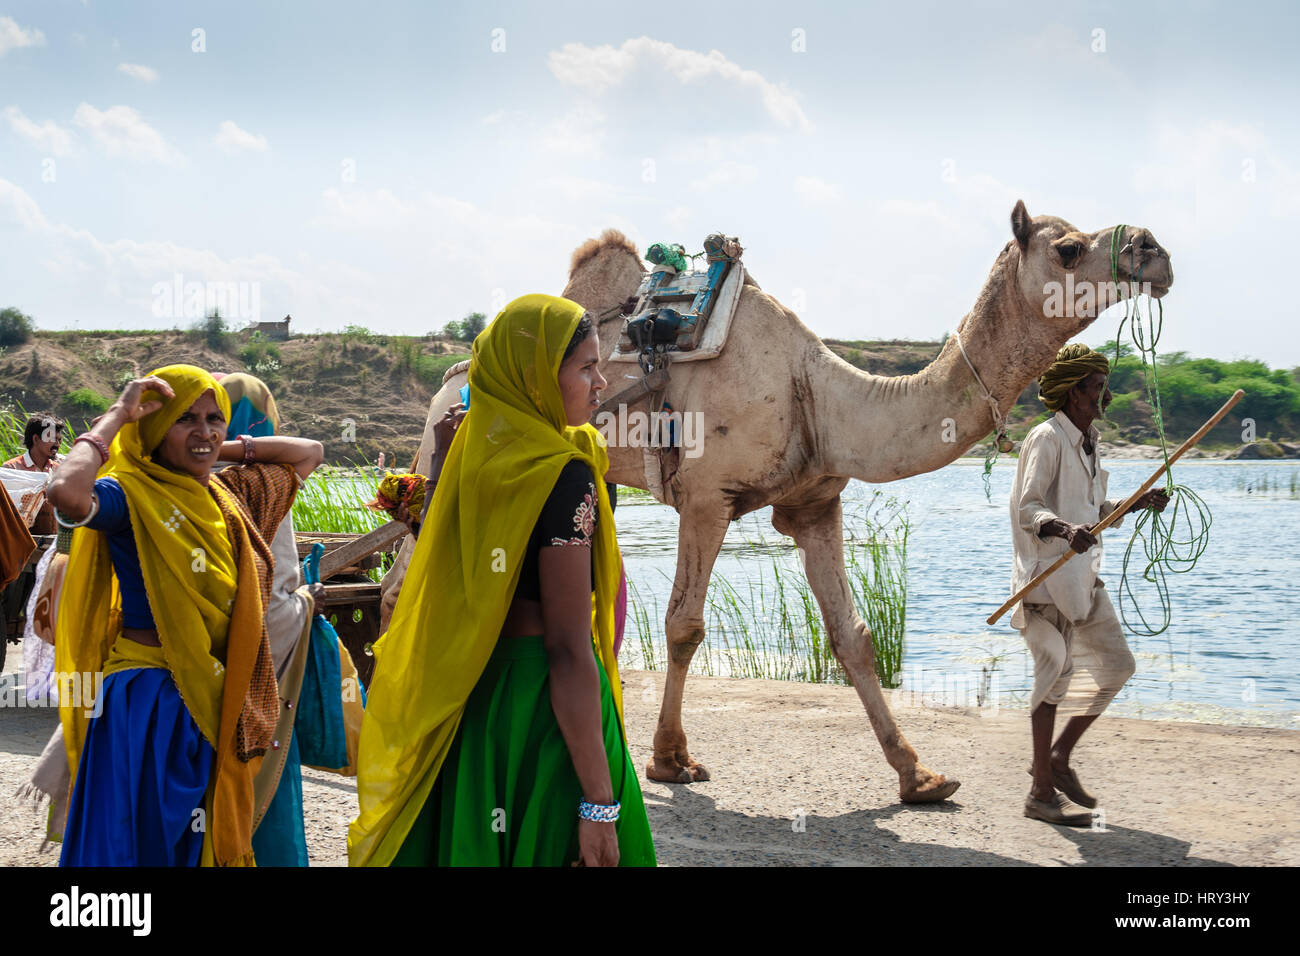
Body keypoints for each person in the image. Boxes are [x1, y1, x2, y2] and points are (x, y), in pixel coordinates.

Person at [349, 294, 655, 867]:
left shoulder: (472, 465)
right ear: (537, 377)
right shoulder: (563, 476)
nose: (602, 381)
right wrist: (598, 804)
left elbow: (444, 569)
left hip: (473, 703)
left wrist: (440, 465)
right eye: (586, 367)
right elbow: (567, 649)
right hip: (543, 712)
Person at [47, 365, 324, 866]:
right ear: (153, 430)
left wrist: (219, 449)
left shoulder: (229, 498)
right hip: (150, 701)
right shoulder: (130, 493)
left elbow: (310, 454)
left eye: (214, 417)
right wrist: (118, 417)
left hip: (218, 693)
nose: (205, 430)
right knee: (145, 837)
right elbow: (66, 495)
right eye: (185, 419)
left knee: (198, 840)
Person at [1009, 343, 1169, 826]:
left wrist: (1135, 504)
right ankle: (1040, 793)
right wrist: (1061, 530)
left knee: (1117, 666)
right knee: (1054, 676)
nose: (1107, 395)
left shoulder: (1089, 441)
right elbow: (1028, 508)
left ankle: (1057, 760)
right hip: (1047, 581)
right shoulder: (1046, 439)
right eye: (1098, 387)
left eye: (1104, 386)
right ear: (1075, 392)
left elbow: (1094, 514)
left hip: (1083, 580)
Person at [3, 413, 65, 533]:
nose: (57, 444)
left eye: (59, 440)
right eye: (52, 439)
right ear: (36, 439)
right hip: (21, 543)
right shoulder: (11, 469)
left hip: (51, 544)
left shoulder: (60, 471)